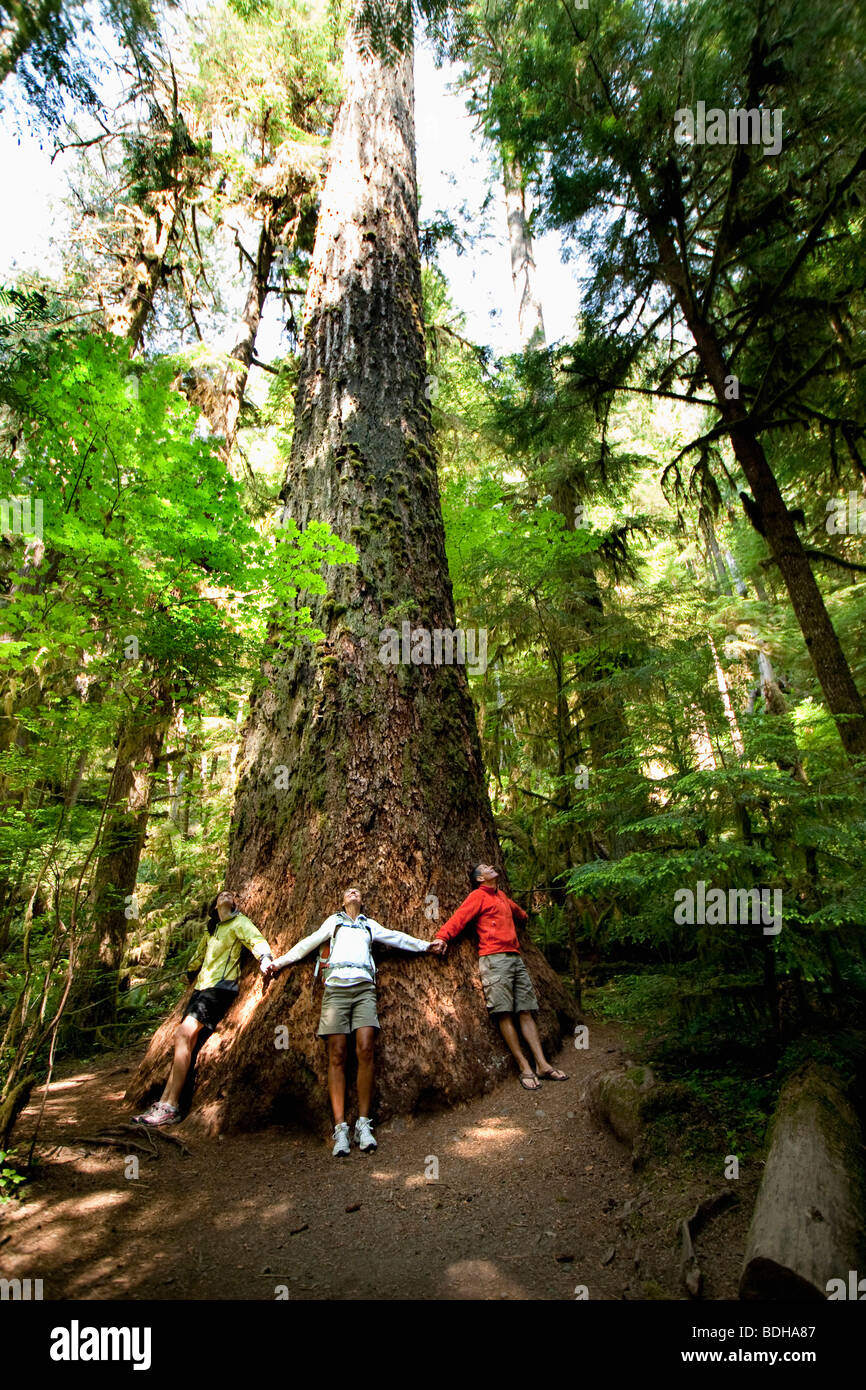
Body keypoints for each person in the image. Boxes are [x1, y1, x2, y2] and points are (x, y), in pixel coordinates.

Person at [266, 886, 444, 1156]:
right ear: (342, 900)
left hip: (364, 990)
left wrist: (424, 945)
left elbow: (395, 938)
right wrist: (278, 963)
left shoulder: (368, 925)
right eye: (349, 892)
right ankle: (340, 1129)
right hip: (335, 990)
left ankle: (364, 1124)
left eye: (357, 892)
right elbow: (308, 943)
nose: (353, 893)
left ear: (362, 901)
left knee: (365, 1049)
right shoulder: (333, 922)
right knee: (337, 1054)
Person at [134, 891, 274, 1126]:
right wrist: (191, 969)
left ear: (234, 904)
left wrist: (265, 957)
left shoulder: (239, 922)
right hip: (201, 988)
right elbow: (200, 955)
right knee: (184, 1040)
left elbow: (254, 939)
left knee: (183, 1034)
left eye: (230, 895)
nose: (226, 896)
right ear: (214, 905)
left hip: (219, 988)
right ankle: (166, 1102)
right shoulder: (212, 930)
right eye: (222, 894)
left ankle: (171, 1105)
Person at [434, 862, 568, 1091]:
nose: (491, 867)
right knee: (504, 1012)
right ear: (479, 879)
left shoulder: (501, 896)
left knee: (526, 1010)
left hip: (516, 958)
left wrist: (524, 916)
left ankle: (542, 1064)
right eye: (486, 868)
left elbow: (518, 913)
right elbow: (460, 918)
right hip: (494, 960)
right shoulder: (477, 896)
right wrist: (442, 937)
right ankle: (524, 1066)